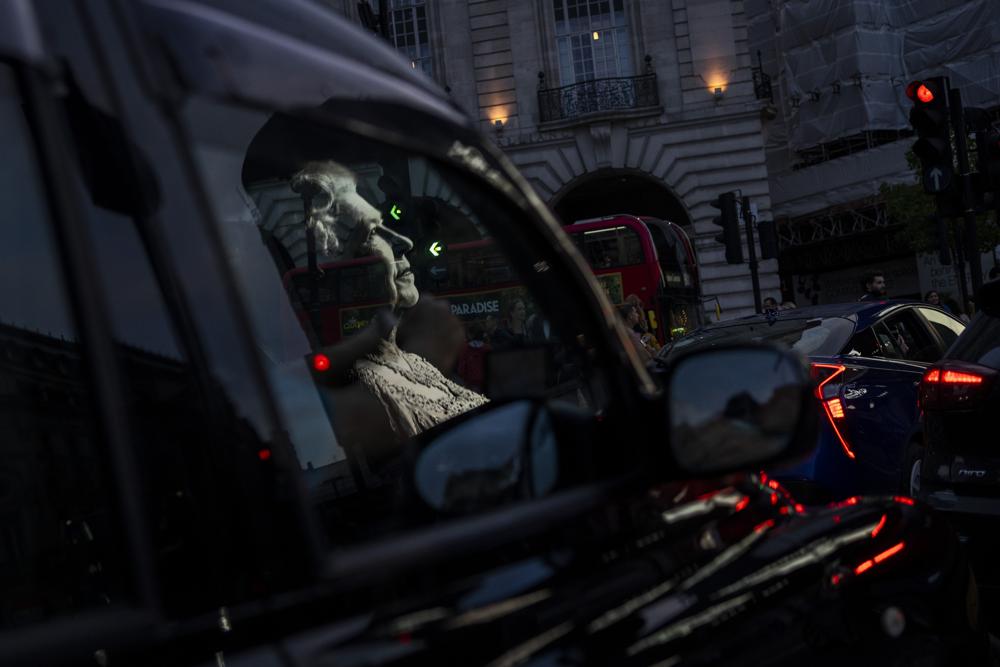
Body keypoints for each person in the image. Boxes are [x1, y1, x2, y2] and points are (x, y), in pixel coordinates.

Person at [290, 160, 487, 441]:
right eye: (374, 232)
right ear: (345, 261)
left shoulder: (406, 357)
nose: (404, 243)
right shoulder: (361, 379)